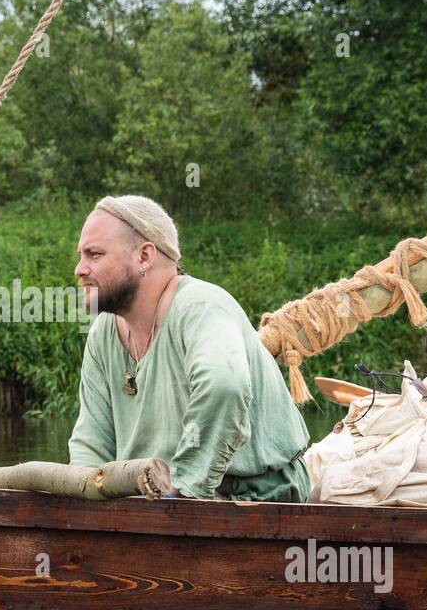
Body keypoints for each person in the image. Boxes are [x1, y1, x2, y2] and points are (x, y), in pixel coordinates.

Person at [67, 195, 310, 501]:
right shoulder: (103, 332)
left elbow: (224, 387)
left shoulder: (200, 306)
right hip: (156, 499)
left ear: (144, 256)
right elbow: (91, 440)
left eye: (94, 255)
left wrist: (185, 491)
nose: (80, 269)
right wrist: (83, 497)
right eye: (81, 256)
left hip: (255, 493)